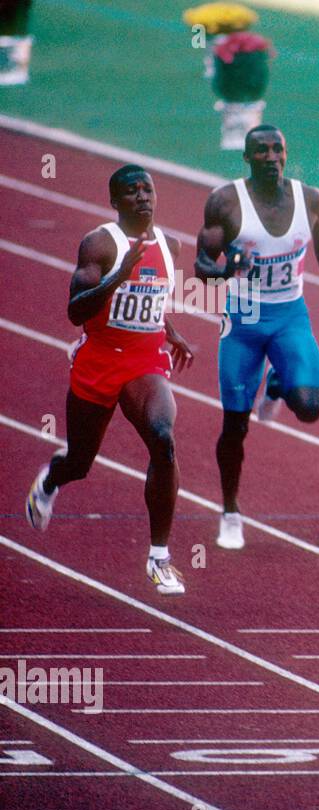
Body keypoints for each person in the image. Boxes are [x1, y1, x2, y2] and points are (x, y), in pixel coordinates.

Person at [25, 165, 195, 595]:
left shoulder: (170, 245)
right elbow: (75, 311)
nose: (142, 197)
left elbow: (153, 300)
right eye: (131, 191)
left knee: (163, 437)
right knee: (80, 462)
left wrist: (171, 333)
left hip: (144, 360)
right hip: (99, 359)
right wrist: (118, 277)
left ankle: (159, 558)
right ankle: (51, 480)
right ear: (115, 202)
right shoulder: (101, 244)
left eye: (148, 189)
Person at [196, 125, 319, 551]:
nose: (271, 157)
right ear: (247, 158)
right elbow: (200, 267)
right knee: (235, 425)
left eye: (277, 149)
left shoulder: (311, 199)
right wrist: (229, 268)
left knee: (310, 409)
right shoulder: (226, 202)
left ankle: (279, 382)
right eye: (261, 151)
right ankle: (231, 511)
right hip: (243, 321)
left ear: (286, 153)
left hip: (289, 315)